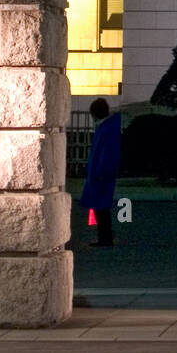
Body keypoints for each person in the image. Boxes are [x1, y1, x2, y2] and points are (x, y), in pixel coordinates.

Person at [79, 98, 121, 247]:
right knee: (102, 207)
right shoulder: (109, 128)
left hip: (100, 174)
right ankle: (105, 236)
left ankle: (105, 237)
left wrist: (98, 172)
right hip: (101, 173)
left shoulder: (104, 130)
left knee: (100, 207)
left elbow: (104, 154)